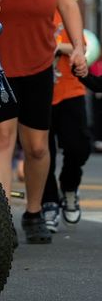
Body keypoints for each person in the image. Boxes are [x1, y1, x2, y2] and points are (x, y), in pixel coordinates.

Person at [0, 0, 88, 244]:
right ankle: (3, 218)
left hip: (38, 65)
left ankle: (34, 212)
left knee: (37, 147)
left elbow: (68, 4)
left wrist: (78, 48)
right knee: (2, 139)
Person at [41, 19, 91, 232]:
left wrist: (58, 47)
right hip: (39, 94)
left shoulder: (65, 10)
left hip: (70, 91)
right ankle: (49, 201)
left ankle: (69, 187)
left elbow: (82, 46)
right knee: (42, 152)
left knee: (78, 147)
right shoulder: (33, 11)